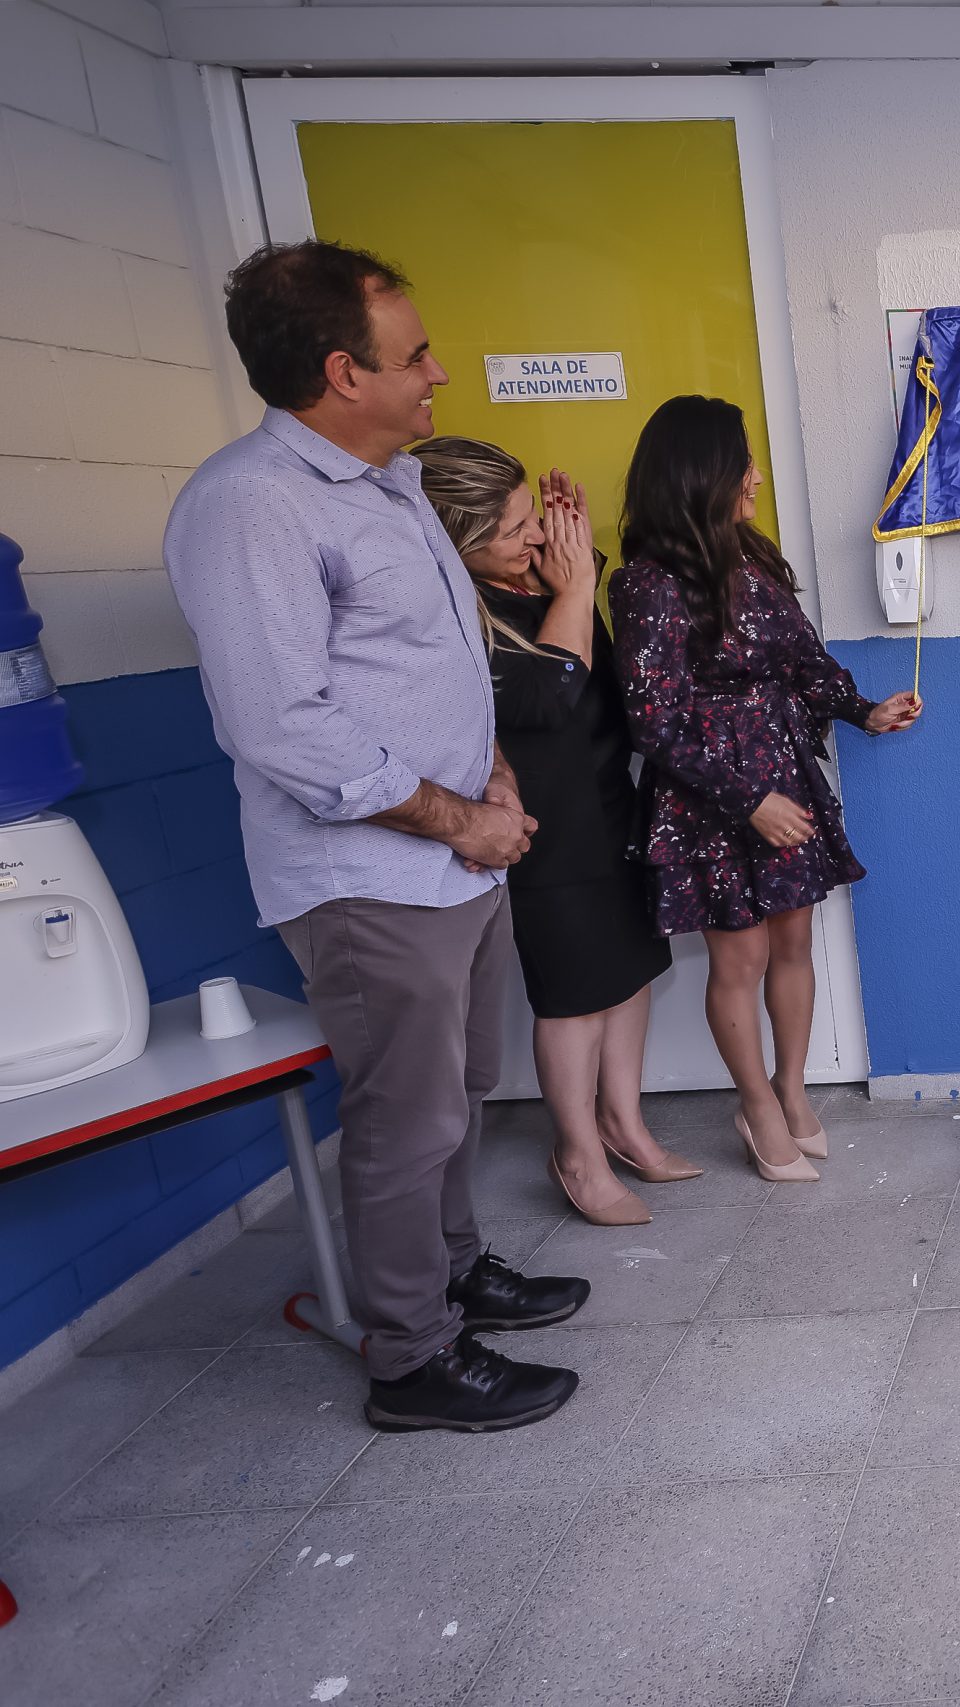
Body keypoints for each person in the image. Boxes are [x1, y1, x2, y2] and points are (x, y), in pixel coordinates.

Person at [165, 241, 587, 1434]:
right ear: (343, 373)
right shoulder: (252, 505)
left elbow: (437, 668)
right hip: (370, 876)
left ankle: (452, 1274)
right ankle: (412, 1358)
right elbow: (283, 724)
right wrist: (461, 819)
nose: (438, 373)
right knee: (406, 1117)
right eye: (416, 355)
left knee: (460, 1088)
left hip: (454, 859)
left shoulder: (390, 485)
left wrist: (491, 776)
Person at [611, 395, 922, 1182]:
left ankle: (790, 1087)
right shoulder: (646, 583)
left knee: (792, 942)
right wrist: (748, 799)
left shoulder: (751, 556)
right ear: (702, 473)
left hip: (782, 773)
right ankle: (754, 1104)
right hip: (712, 797)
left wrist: (862, 709)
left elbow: (804, 661)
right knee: (741, 957)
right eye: (742, 463)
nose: (754, 476)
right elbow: (654, 722)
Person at [413, 437, 698, 1227]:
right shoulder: (450, 615)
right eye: (515, 529)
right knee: (575, 995)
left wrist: (564, 578)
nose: (537, 535)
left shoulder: (529, 585)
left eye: (533, 516)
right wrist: (573, 586)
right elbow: (548, 695)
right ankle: (576, 1152)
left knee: (632, 971)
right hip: (545, 830)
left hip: (607, 803)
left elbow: (596, 677)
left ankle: (624, 1125)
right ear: (457, 542)